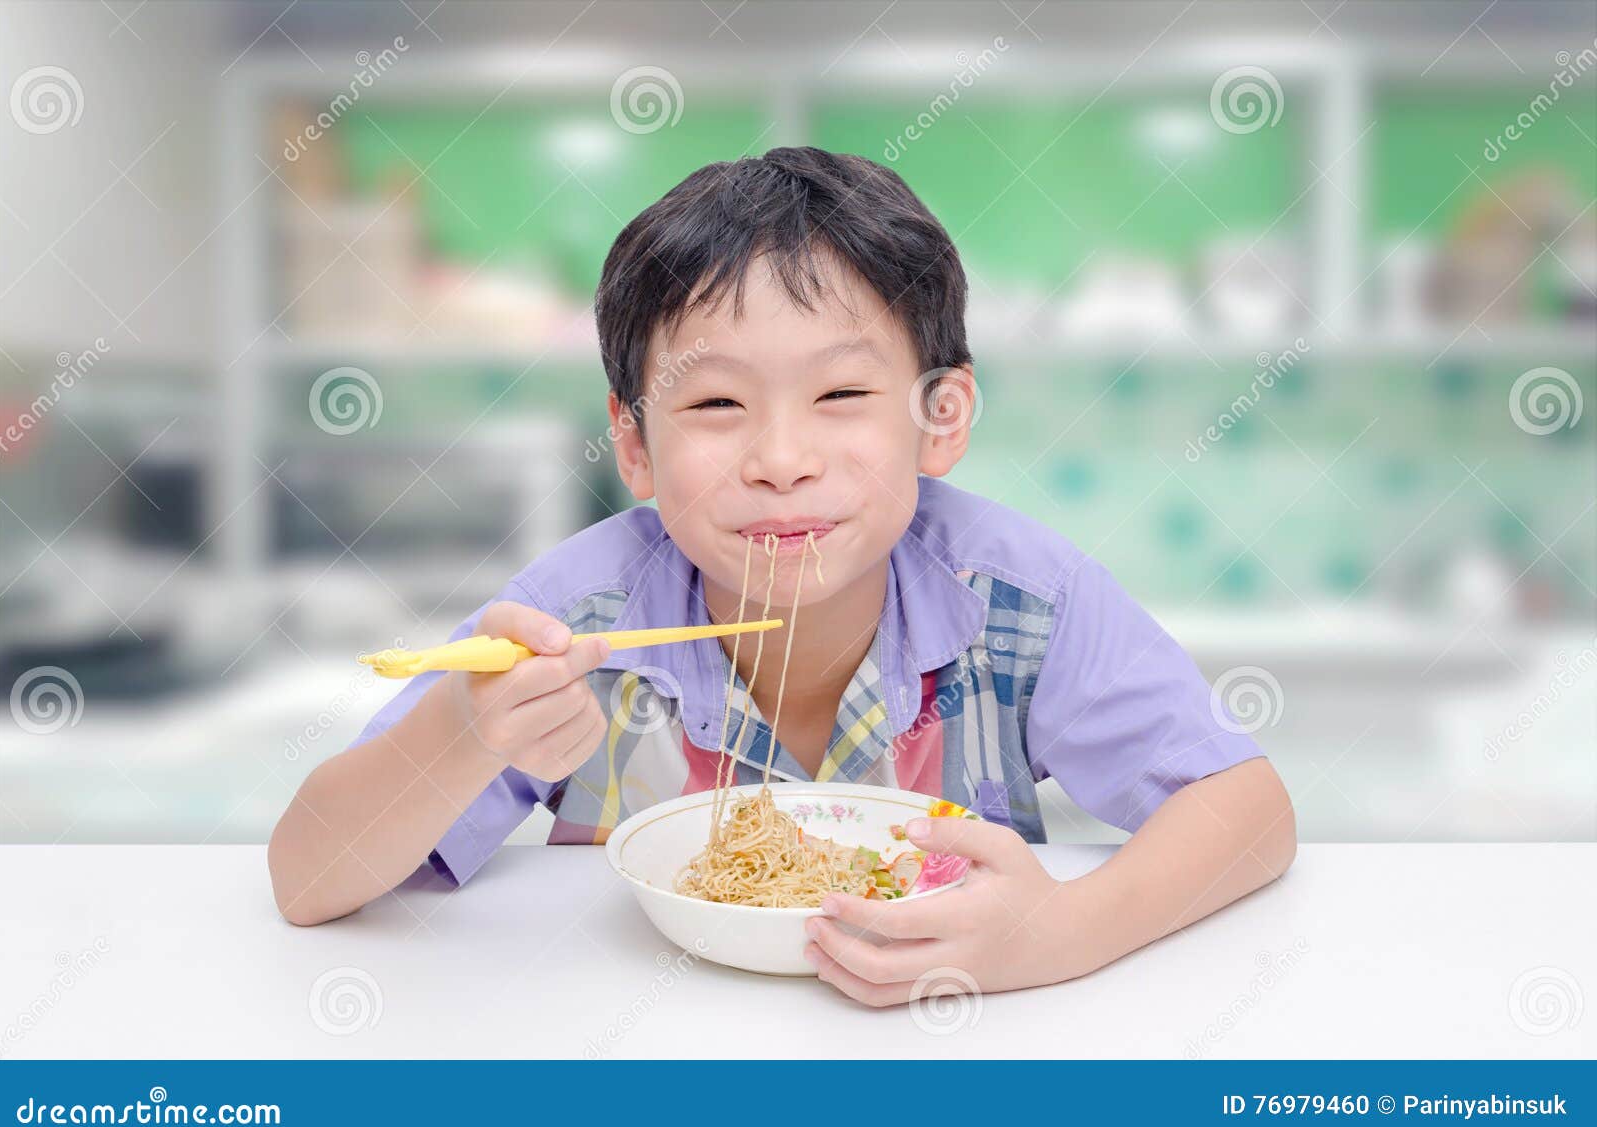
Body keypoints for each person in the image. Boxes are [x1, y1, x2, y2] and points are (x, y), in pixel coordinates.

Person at [268, 146, 1295, 1006]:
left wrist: (1056, 934)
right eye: (714, 405)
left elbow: (1247, 811)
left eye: (842, 391)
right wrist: (463, 730)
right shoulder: (575, 616)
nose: (780, 457)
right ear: (633, 445)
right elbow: (309, 882)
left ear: (940, 417)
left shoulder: (1020, 598)